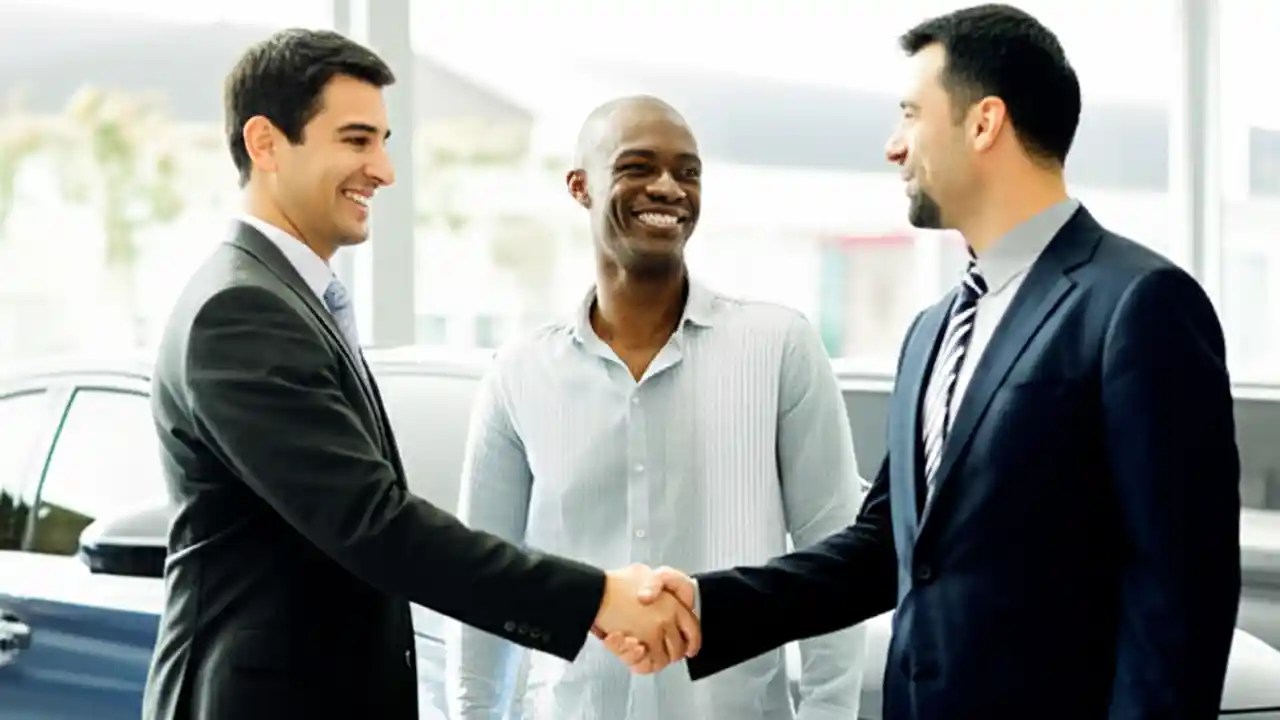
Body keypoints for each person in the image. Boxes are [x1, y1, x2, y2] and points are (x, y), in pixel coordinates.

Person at [611, 5, 1242, 719]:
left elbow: (1180, 600)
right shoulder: (931, 330)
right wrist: (705, 604)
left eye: (911, 114)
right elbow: (884, 551)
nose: (893, 146)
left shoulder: (1140, 304)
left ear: (984, 123)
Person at [141, 30, 697, 720]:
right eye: (356, 140)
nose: (383, 169)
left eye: (382, 140)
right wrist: (594, 600)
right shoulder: (240, 309)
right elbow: (374, 524)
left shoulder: (283, 298)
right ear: (265, 144)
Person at [444, 95, 868, 720]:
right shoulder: (518, 373)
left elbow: (836, 560)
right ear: (581, 186)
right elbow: (482, 588)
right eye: (637, 166)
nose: (668, 188)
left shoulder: (781, 347)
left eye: (688, 172)